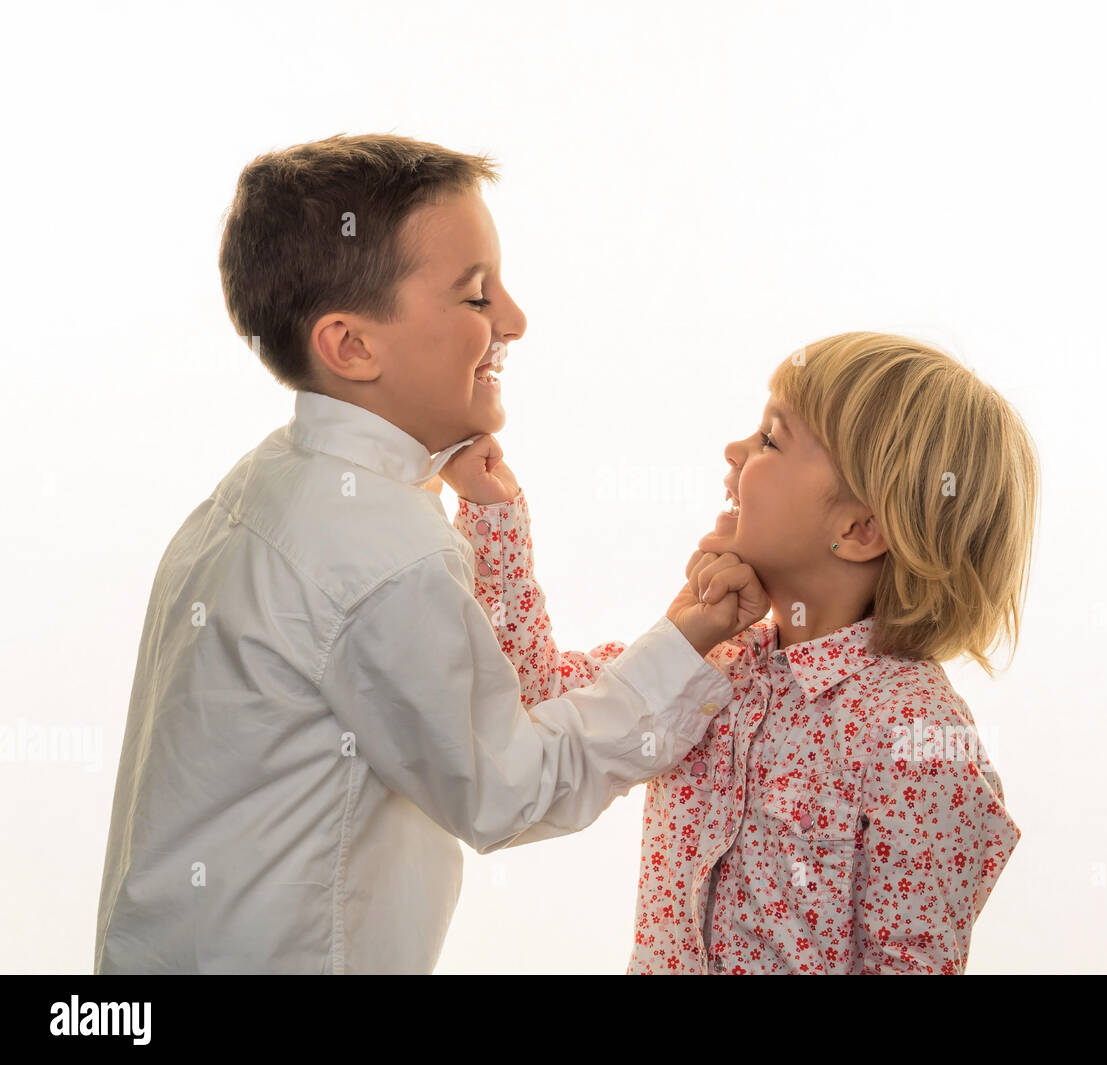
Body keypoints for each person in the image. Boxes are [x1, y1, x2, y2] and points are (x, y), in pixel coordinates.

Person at [93, 133, 767, 974]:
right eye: (478, 297)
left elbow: (441, 679)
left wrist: (483, 514)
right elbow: (508, 787)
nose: (514, 321)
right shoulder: (382, 552)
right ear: (352, 346)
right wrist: (685, 641)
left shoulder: (265, 487)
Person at [444, 331, 1039, 974]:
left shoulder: (917, 738)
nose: (733, 451)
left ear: (859, 529)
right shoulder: (712, 660)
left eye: (771, 439)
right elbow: (537, 710)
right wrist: (492, 514)